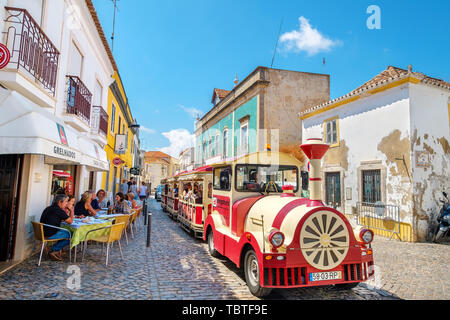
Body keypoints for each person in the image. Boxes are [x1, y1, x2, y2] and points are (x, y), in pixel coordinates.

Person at [40, 194, 74, 261]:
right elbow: (70, 221)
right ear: (60, 202)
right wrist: (71, 210)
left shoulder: (48, 208)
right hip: (50, 234)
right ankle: (53, 249)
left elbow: (54, 218)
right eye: (66, 201)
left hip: (42, 232)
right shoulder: (59, 210)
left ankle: (55, 249)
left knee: (65, 232)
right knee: (72, 234)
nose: (67, 204)